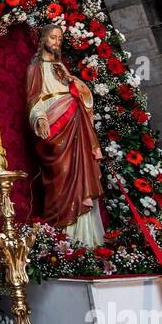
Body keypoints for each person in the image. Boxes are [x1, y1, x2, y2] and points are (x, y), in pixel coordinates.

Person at [25, 23, 106, 246]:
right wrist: (40, 118)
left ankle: (88, 239)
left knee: (83, 173)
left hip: (76, 124)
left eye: (60, 38)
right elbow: (34, 100)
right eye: (53, 37)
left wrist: (81, 89)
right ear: (43, 40)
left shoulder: (61, 67)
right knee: (62, 176)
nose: (57, 42)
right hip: (57, 128)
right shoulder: (35, 68)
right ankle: (65, 237)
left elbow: (81, 96)